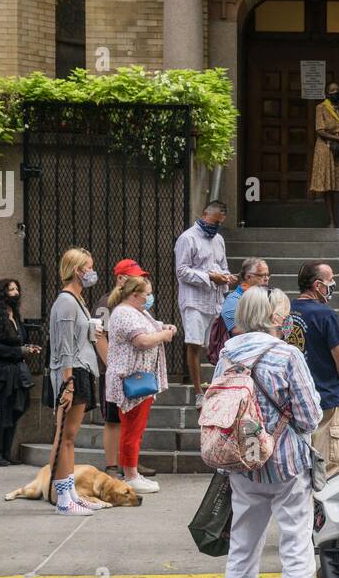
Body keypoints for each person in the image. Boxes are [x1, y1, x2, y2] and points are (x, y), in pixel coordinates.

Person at [217, 287, 335, 578]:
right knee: (296, 546)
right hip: (285, 464)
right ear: (271, 317)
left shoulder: (227, 355)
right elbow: (310, 415)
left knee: (243, 543)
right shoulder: (287, 355)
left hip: (243, 463)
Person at [47, 247, 107, 515]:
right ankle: (63, 498)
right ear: (76, 269)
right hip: (71, 374)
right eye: (88, 267)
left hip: (79, 370)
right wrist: (68, 383)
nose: (91, 272)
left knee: (69, 437)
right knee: (64, 437)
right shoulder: (67, 302)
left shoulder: (76, 300)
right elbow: (63, 348)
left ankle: (70, 493)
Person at [104, 275, 173, 494]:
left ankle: (131, 472)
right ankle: (131, 475)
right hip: (132, 380)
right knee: (132, 429)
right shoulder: (125, 313)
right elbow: (142, 340)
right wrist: (164, 335)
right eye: (147, 294)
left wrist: (163, 328)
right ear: (134, 295)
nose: (150, 297)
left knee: (135, 428)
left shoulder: (137, 311)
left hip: (139, 378)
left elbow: (150, 328)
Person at [290, 260, 339, 476]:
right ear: (317, 285)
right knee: (329, 470)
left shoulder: (287, 311)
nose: (333, 285)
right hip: (327, 400)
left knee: (301, 472)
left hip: (296, 402)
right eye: (330, 280)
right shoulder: (325, 314)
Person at [174, 200, 235, 407]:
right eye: (214, 221)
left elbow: (223, 266)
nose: (216, 226)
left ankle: (217, 386)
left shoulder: (218, 239)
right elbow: (182, 271)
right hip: (194, 300)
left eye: (220, 223)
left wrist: (226, 277)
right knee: (194, 343)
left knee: (216, 345)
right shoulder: (187, 238)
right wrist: (209, 277)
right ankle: (198, 391)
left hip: (214, 299)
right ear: (204, 215)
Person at [102, 259, 157, 480]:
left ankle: (130, 465)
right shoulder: (112, 305)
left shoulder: (136, 308)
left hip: (130, 372)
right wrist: (113, 365)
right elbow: (99, 336)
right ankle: (116, 466)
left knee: (131, 427)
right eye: (135, 276)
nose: (140, 279)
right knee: (117, 422)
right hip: (121, 373)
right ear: (122, 279)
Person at [0, 278, 40, 466]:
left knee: (16, 408)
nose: (15, 293)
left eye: (16, 289)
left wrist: (27, 348)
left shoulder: (14, 314)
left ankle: (5, 453)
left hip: (13, 369)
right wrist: (20, 351)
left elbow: (16, 341)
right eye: (11, 289)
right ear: (1, 293)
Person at [310, 82, 339, 228]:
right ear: (327, 94)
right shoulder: (321, 108)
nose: (335, 93)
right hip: (326, 148)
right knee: (329, 187)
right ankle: (332, 221)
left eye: (338, 90)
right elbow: (320, 131)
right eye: (332, 91)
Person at [222, 258, 270, 335]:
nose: (266, 279)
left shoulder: (267, 296)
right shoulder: (233, 300)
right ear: (248, 277)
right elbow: (237, 331)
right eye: (261, 275)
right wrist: (270, 329)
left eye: (267, 275)